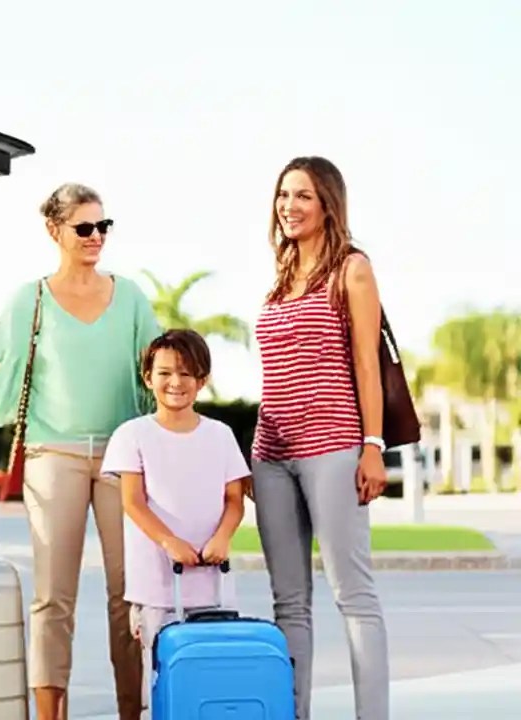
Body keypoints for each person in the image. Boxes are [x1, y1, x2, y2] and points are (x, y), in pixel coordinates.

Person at [0, 182, 161, 720]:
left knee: (129, 596)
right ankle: (50, 715)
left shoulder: (131, 296)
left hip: (122, 459)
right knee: (53, 597)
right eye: (84, 227)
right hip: (54, 455)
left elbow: (162, 372)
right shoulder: (32, 300)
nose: (96, 237)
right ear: (55, 231)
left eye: (103, 226)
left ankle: (131, 711)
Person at [251, 156, 390, 719]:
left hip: (333, 446)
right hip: (272, 454)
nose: (290, 206)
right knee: (289, 603)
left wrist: (373, 445)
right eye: (284, 195)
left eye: (303, 195)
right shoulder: (281, 276)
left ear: (329, 203)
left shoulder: (351, 269)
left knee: (353, 596)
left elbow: (367, 363)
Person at [99, 329, 250, 708]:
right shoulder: (132, 435)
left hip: (214, 585)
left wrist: (222, 538)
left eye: (186, 373)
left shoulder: (220, 435)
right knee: (162, 683)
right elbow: (133, 502)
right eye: (165, 373)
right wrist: (170, 543)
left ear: (203, 380)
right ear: (148, 378)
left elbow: (235, 499)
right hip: (157, 587)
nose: (175, 382)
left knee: (210, 683)